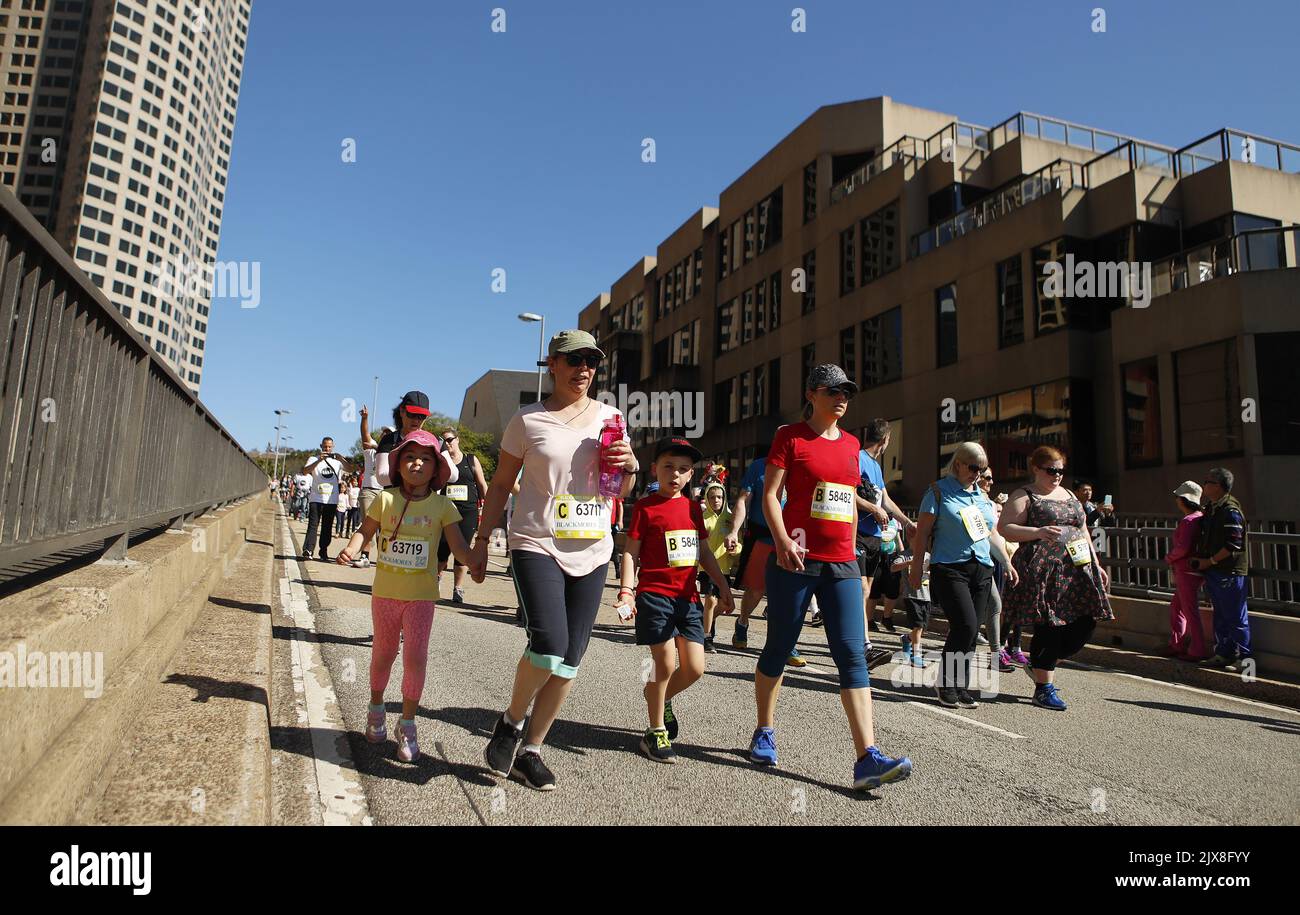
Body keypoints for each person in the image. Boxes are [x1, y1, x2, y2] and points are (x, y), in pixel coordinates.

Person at [467, 330, 639, 791]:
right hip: (536, 541)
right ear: (553, 365)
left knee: (570, 660)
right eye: (574, 360)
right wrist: (482, 539)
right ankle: (509, 721)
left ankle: (531, 750)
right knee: (548, 644)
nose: (584, 369)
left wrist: (629, 466)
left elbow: (618, 490)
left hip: (593, 547)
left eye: (592, 362)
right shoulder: (527, 420)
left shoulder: (611, 418)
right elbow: (501, 484)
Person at [751, 364, 912, 791]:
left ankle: (867, 758)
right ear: (812, 394)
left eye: (847, 392)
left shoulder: (853, 445)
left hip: (843, 560)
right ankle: (765, 728)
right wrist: (782, 540)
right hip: (797, 559)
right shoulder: (790, 436)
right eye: (833, 391)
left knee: (851, 654)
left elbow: (843, 493)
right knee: (780, 646)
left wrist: (873, 510)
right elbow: (771, 494)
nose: (842, 398)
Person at [336, 430, 474, 762]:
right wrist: (352, 549)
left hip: (422, 597)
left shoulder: (443, 505)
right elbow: (364, 532)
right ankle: (376, 708)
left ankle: (408, 724)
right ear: (398, 466)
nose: (417, 464)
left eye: (426, 459)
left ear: (436, 468)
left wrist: (475, 563)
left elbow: (458, 548)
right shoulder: (385, 499)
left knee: (415, 657)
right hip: (385, 593)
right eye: (410, 458)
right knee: (383, 653)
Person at [618, 437, 734, 763]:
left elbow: (704, 552)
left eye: (684, 470)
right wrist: (627, 590)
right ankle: (654, 732)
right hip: (654, 594)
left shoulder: (692, 508)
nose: (675, 474)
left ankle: (657, 695)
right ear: (655, 469)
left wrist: (723, 585)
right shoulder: (645, 506)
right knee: (665, 663)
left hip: (688, 597)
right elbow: (631, 552)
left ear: (690, 476)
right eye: (668, 467)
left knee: (695, 668)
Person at [998, 446, 1113, 711]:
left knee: (1086, 621)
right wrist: (1037, 531)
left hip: (1076, 568)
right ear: (1036, 468)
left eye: (1061, 470)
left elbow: (1082, 530)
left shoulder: (1070, 494)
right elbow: (1005, 528)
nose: (1058, 475)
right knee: (1050, 624)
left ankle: (1040, 664)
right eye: (1051, 470)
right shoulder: (1025, 495)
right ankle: (1043, 687)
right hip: (1043, 571)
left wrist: (1096, 564)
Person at [911, 442, 1018, 709]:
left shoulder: (981, 497)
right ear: (958, 463)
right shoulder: (937, 492)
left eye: (981, 470)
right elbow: (922, 532)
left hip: (982, 568)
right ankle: (945, 682)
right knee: (966, 625)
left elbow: (990, 533)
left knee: (971, 632)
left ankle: (960, 685)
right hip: (949, 567)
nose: (977, 474)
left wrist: (1006, 560)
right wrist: (916, 567)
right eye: (973, 468)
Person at [725, 447, 806, 668]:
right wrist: (734, 531)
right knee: (757, 590)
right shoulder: (759, 466)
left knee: (790, 592)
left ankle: (787, 643)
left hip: (793, 537)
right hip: (763, 534)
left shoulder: (801, 467)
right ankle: (742, 622)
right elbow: (743, 500)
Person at [854, 419, 916, 635]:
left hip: (875, 537)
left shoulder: (876, 467)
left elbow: (886, 501)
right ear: (885, 440)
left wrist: (908, 523)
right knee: (862, 590)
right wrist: (873, 509)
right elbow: (848, 493)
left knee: (868, 590)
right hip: (857, 533)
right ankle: (862, 642)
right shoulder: (858, 458)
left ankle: (857, 637)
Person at [1189, 468, 1252, 669]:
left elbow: (1234, 543)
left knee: (1235, 615)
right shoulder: (1213, 508)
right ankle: (1223, 654)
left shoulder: (1229, 509)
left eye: (1208, 482)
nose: (1204, 485)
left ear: (1219, 486)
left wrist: (1211, 562)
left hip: (1229, 570)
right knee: (1221, 614)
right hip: (1216, 570)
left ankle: (1246, 658)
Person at [436, 426, 489, 605]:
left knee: (463, 550)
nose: (447, 443)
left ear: (457, 440)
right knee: (441, 549)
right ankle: (435, 581)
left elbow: (482, 485)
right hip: (445, 511)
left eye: (450, 439)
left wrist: (488, 508)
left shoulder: (471, 459)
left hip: (468, 512)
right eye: (444, 441)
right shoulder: (440, 462)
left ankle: (457, 588)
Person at [372, 390, 459, 488]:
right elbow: (381, 478)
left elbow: (454, 475)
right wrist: (426, 472)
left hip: (426, 502)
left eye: (421, 416)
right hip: (394, 501)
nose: (416, 420)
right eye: (412, 414)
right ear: (402, 411)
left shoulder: (436, 441)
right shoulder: (388, 440)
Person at [976, 468, 1015, 673]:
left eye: (992, 477)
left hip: (986, 559)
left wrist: (1006, 561)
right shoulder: (962, 497)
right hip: (960, 562)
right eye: (987, 477)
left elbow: (993, 533)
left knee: (995, 603)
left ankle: (996, 655)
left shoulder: (990, 504)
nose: (991, 481)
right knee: (969, 615)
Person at [1163, 481, 1207, 661]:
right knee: (1179, 607)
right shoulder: (1201, 517)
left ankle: (1196, 649)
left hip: (1185, 569)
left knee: (1188, 610)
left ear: (1183, 500)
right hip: (1196, 569)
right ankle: (1177, 644)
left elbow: (1183, 548)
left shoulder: (1189, 521)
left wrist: (1169, 557)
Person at [698, 480, 739, 653]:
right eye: (713, 497)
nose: (716, 500)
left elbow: (739, 543)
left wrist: (735, 549)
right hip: (706, 568)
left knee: (725, 605)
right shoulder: (702, 518)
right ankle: (707, 638)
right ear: (707, 499)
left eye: (720, 497)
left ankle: (701, 623)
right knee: (710, 600)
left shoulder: (730, 519)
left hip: (724, 569)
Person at [301, 437, 356, 562]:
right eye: (325, 446)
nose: (327, 449)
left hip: (331, 500)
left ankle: (323, 551)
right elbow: (305, 471)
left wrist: (341, 458)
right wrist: (319, 460)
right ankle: (308, 550)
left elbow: (351, 469)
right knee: (313, 525)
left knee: (327, 526)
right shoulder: (313, 459)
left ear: (333, 447)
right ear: (321, 446)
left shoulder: (337, 462)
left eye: (330, 447)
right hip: (316, 498)